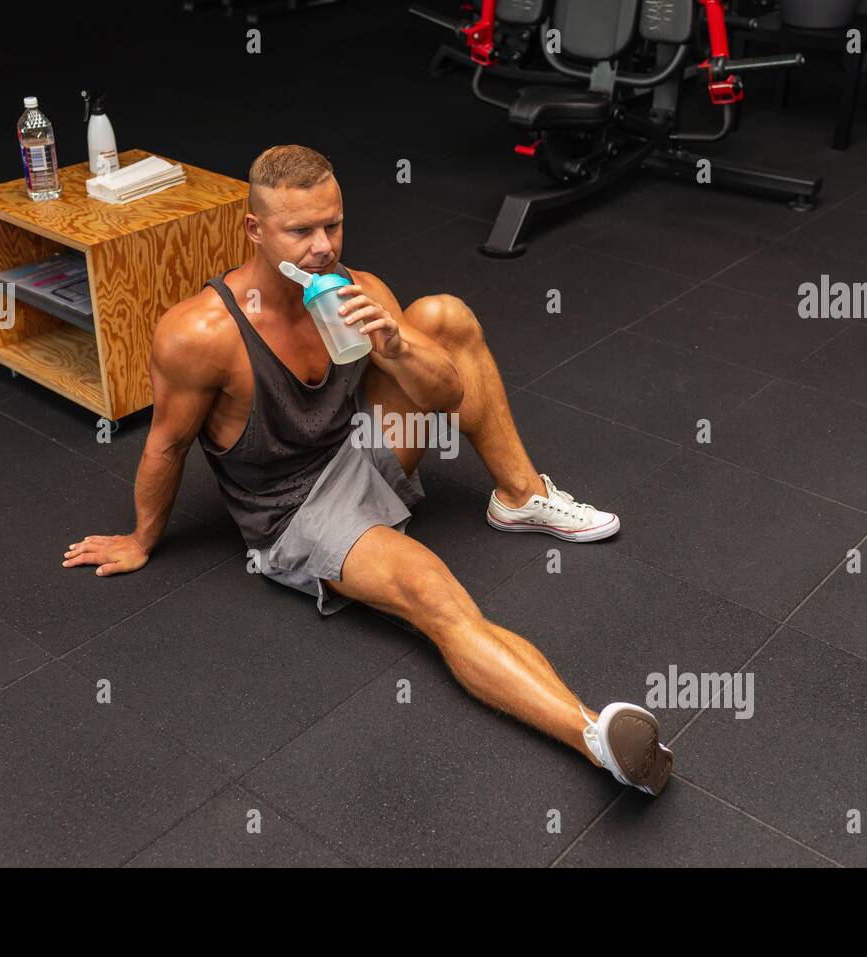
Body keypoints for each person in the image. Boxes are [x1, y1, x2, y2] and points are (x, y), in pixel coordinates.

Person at [63, 144, 673, 796]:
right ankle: (594, 736)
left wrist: (395, 341)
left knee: (442, 316)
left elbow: (446, 398)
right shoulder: (200, 332)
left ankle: (520, 495)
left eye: (333, 224)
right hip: (298, 513)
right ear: (254, 230)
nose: (323, 245)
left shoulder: (358, 289)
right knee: (435, 598)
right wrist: (140, 538)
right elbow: (165, 445)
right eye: (300, 230)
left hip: (361, 450)